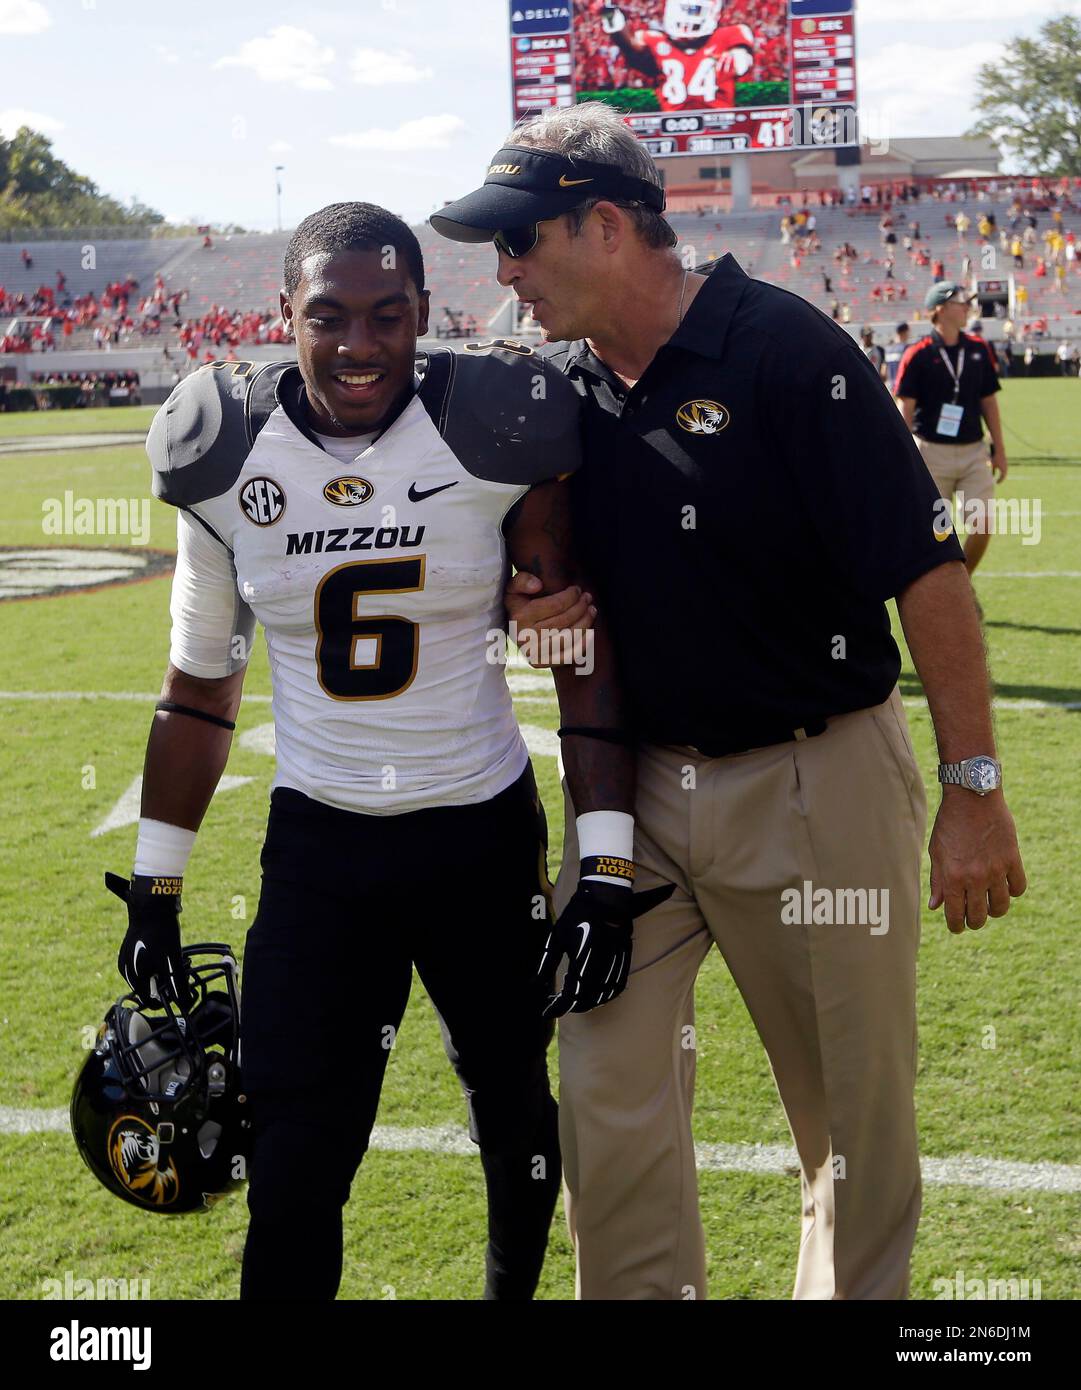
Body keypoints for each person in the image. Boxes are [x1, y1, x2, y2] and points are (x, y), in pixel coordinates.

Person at [432, 102, 1026, 1302]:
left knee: (847, 1125)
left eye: (519, 242)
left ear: (604, 226)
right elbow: (509, 564)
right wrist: (520, 602)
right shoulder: (553, 389)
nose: (502, 272)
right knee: (605, 1095)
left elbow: (927, 579)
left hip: (815, 774)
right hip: (629, 795)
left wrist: (973, 789)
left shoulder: (789, 351)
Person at [109, 201, 660, 1301]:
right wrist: (155, 885)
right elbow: (202, 685)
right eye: (329, 318)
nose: (360, 346)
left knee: (513, 1113)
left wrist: (602, 859)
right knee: (298, 1158)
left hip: (479, 834)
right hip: (321, 853)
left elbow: (566, 638)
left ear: (424, 312)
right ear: (284, 314)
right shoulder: (220, 449)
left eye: (388, 316)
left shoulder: (498, 422)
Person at [895, 281, 1007, 574]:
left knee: (983, 524)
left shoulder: (979, 348)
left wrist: (1000, 450)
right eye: (961, 302)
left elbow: (989, 402)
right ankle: (952, 597)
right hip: (931, 453)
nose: (968, 307)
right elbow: (904, 408)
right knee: (937, 536)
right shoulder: (917, 353)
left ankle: (963, 584)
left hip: (973, 452)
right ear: (940, 309)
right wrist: (903, 459)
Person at [883, 321, 911, 393]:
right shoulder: (907, 348)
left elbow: (883, 371)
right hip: (902, 388)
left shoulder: (888, 349)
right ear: (904, 332)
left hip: (889, 388)